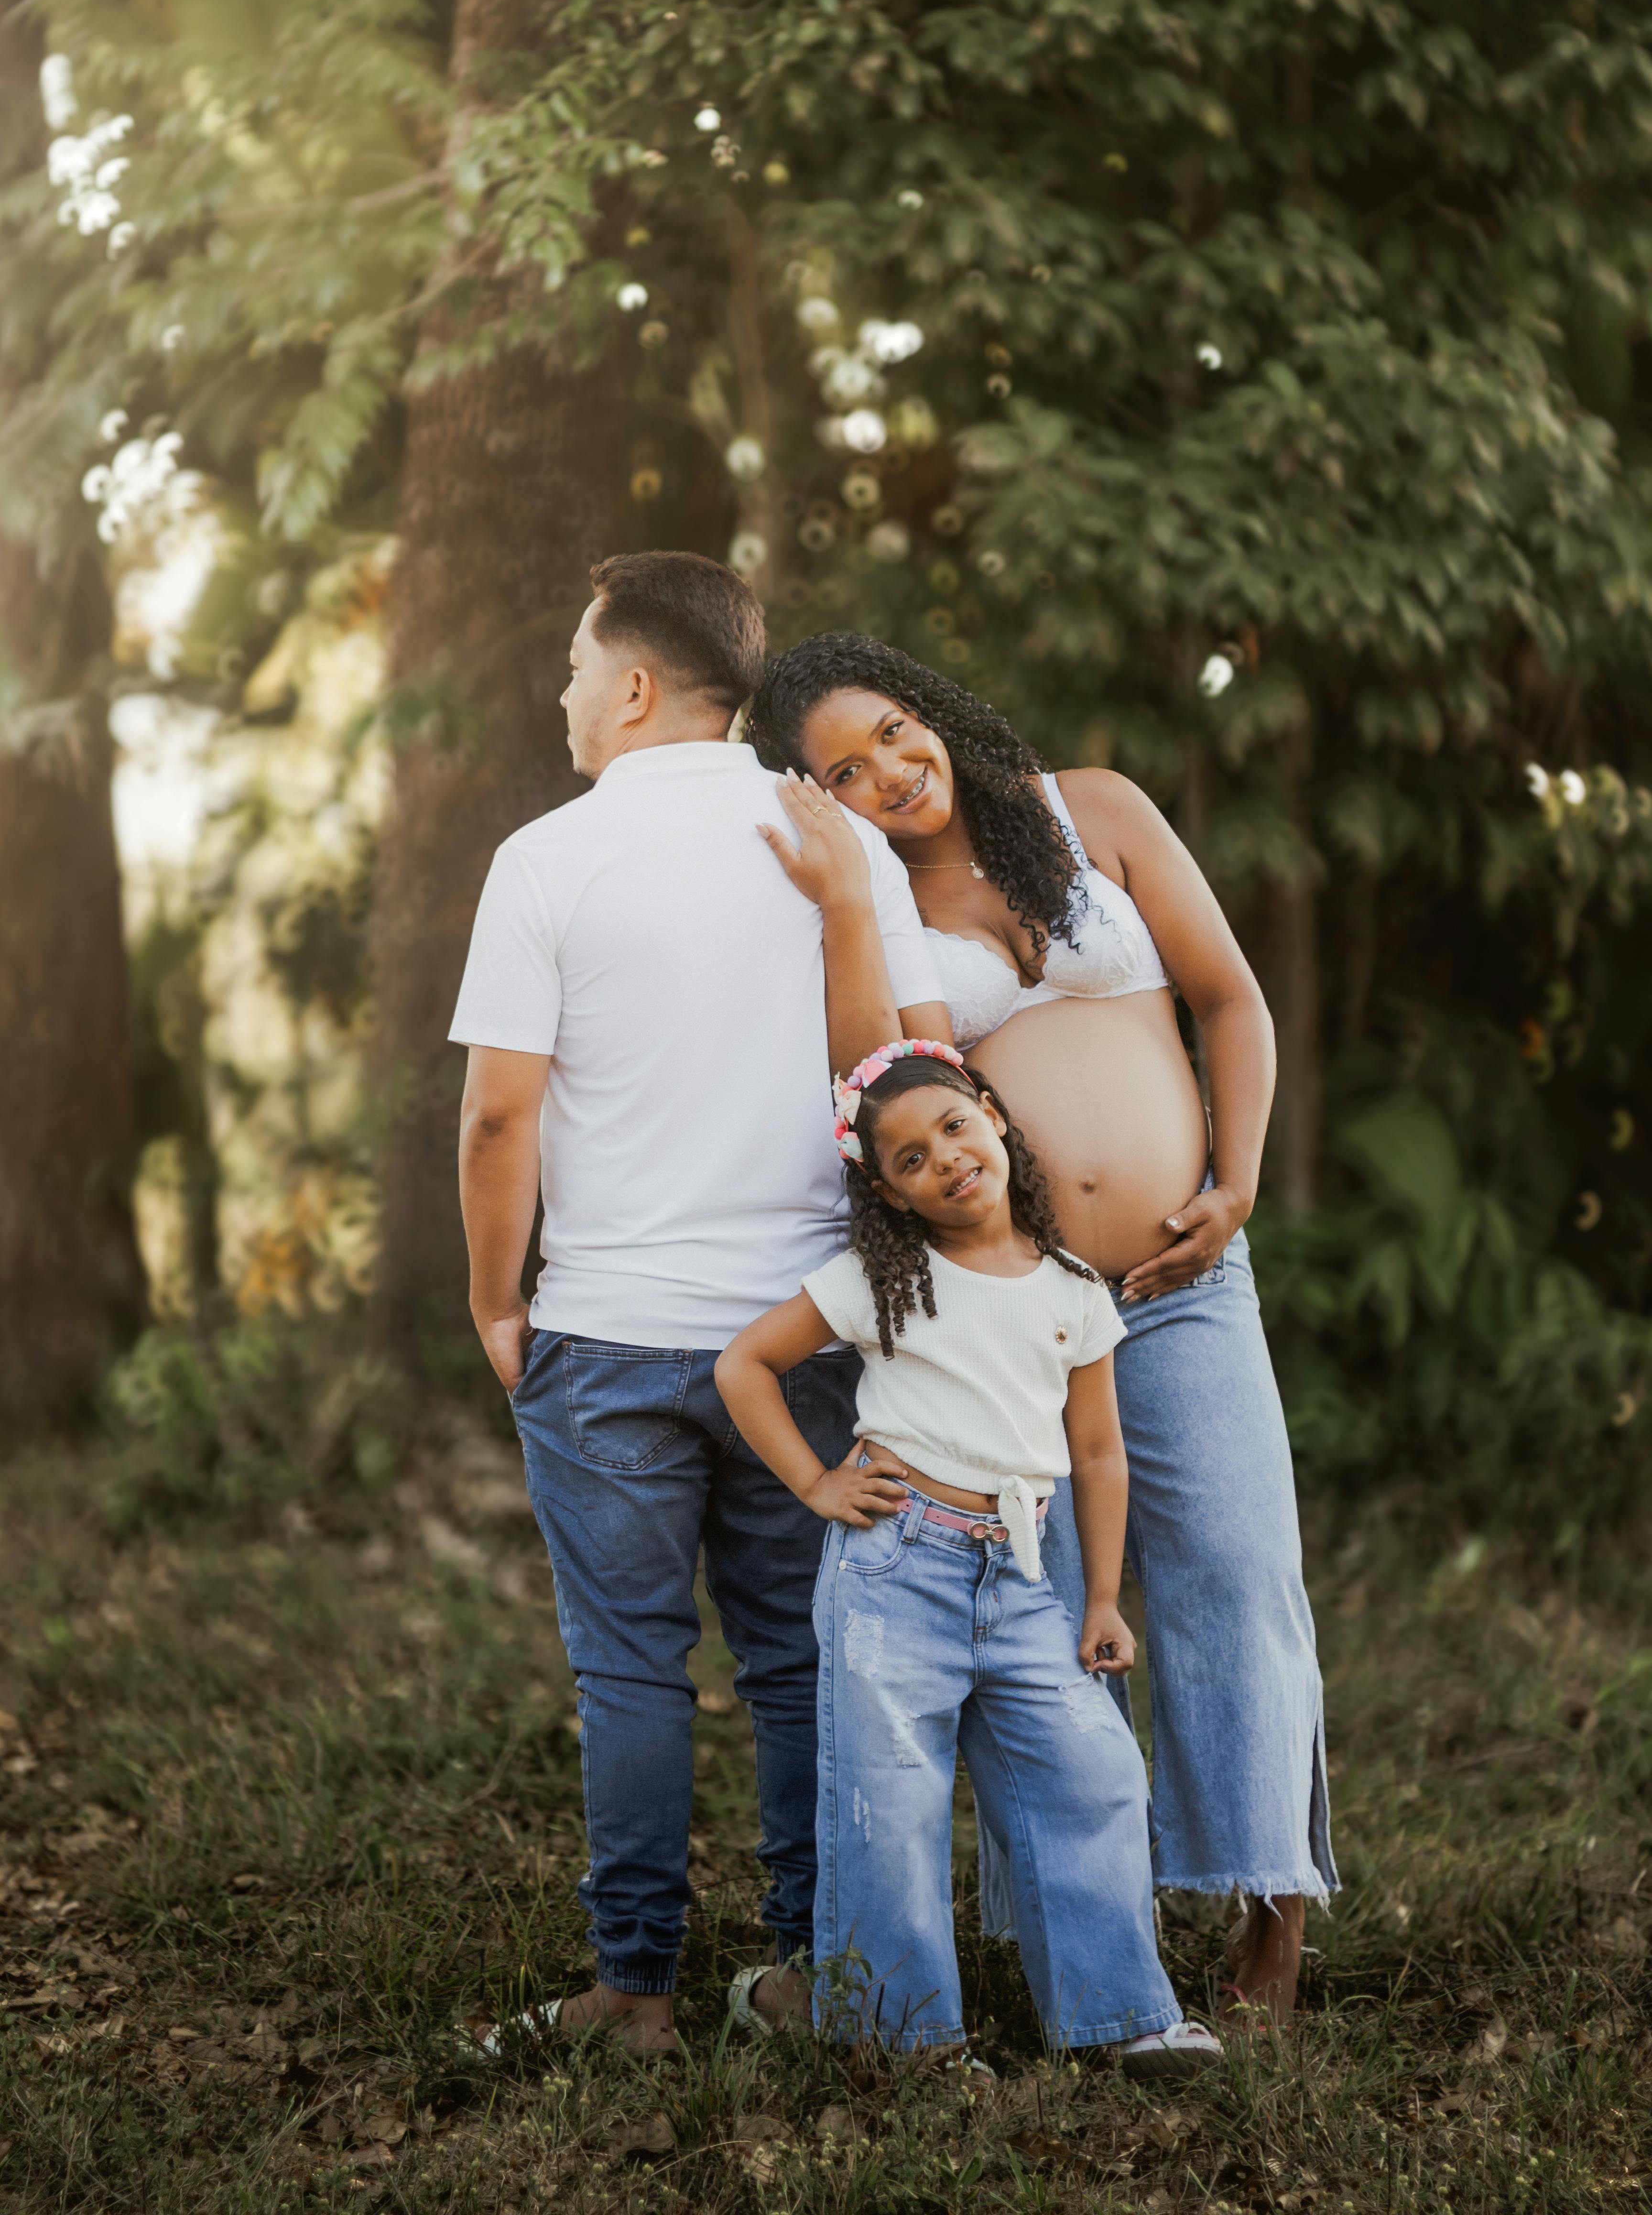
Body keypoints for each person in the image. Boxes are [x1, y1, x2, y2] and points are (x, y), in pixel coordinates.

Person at [748, 635, 1337, 2023]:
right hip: (1020, 1310)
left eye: (895, 732)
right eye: (848, 772)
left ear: (932, 712)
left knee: (1239, 1572)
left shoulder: (1097, 811)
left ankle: (1271, 1909)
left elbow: (1230, 998)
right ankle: (1092, 1931)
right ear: (823, 799)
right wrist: (847, 902)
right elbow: (884, 1087)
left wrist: (1238, 1183)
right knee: (1058, 1610)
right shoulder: (882, 905)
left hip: (1189, 1278)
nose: (893, 772)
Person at [448, 557, 947, 2057]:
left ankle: (636, 1993)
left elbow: (498, 1119)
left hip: (606, 1332)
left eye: (575, 668)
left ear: (635, 685)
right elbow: (910, 1078)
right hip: (804, 1336)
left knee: (630, 1672)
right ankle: (811, 1969)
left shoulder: (547, 858)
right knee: (796, 1659)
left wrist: (494, 1301)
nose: (563, 695)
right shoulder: (842, 844)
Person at [715, 1038, 1220, 2069]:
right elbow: (745, 1365)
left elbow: (1098, 1453)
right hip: (895, 1570)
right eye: (910, 1158)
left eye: (953, 1126)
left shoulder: (1074, 1289)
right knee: (892, 1802)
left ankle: (1121, 2018)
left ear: (992, 1114)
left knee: (1092, 1775)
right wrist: (816, 1483)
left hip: (1022, 1580)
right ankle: (901, 2041)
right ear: (890, 1194)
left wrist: (1103, 1599)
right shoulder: (883, 1281)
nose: (944, 1157)